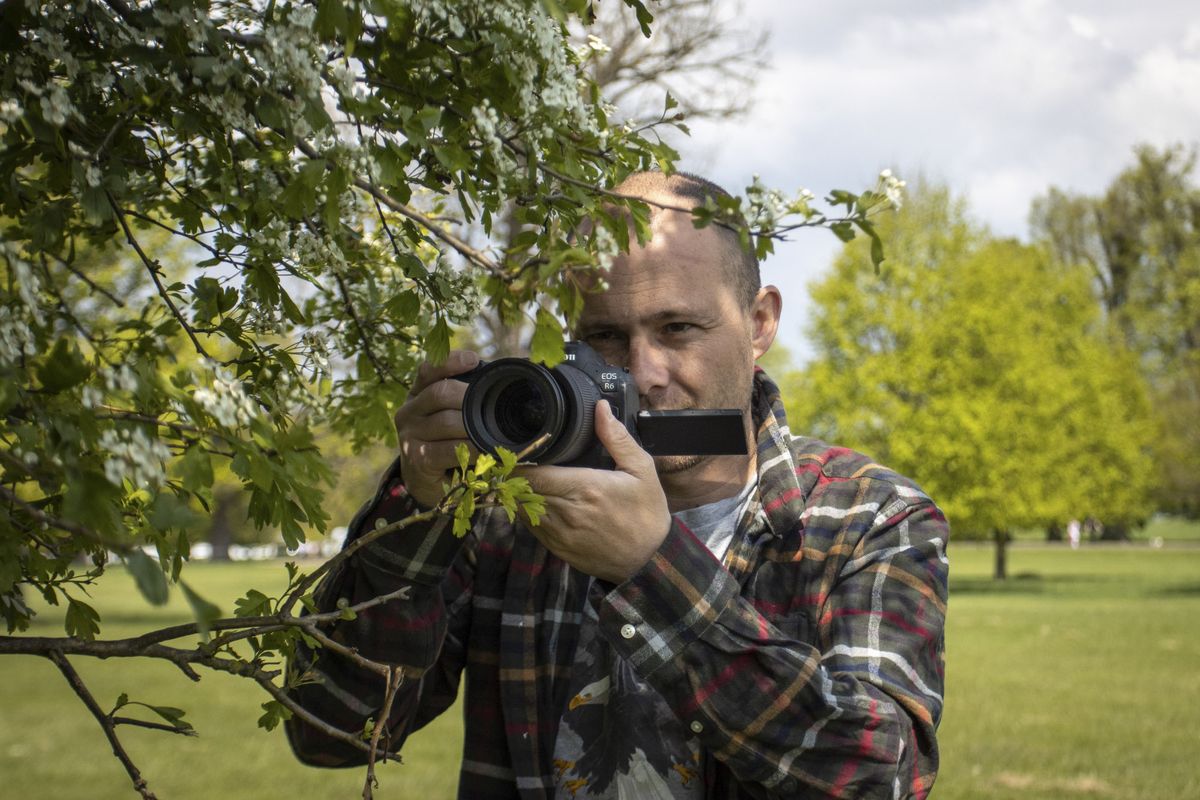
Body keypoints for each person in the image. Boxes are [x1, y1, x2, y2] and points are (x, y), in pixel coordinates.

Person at [286, 171, 950, 799]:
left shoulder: (868, 516)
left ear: (759, 323)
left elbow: (879, 777)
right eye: (604, 335)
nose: (644, 373)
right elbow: (330, 732)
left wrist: (652, 568)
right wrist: (419, 511)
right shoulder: (510, 514)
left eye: (678, 328)